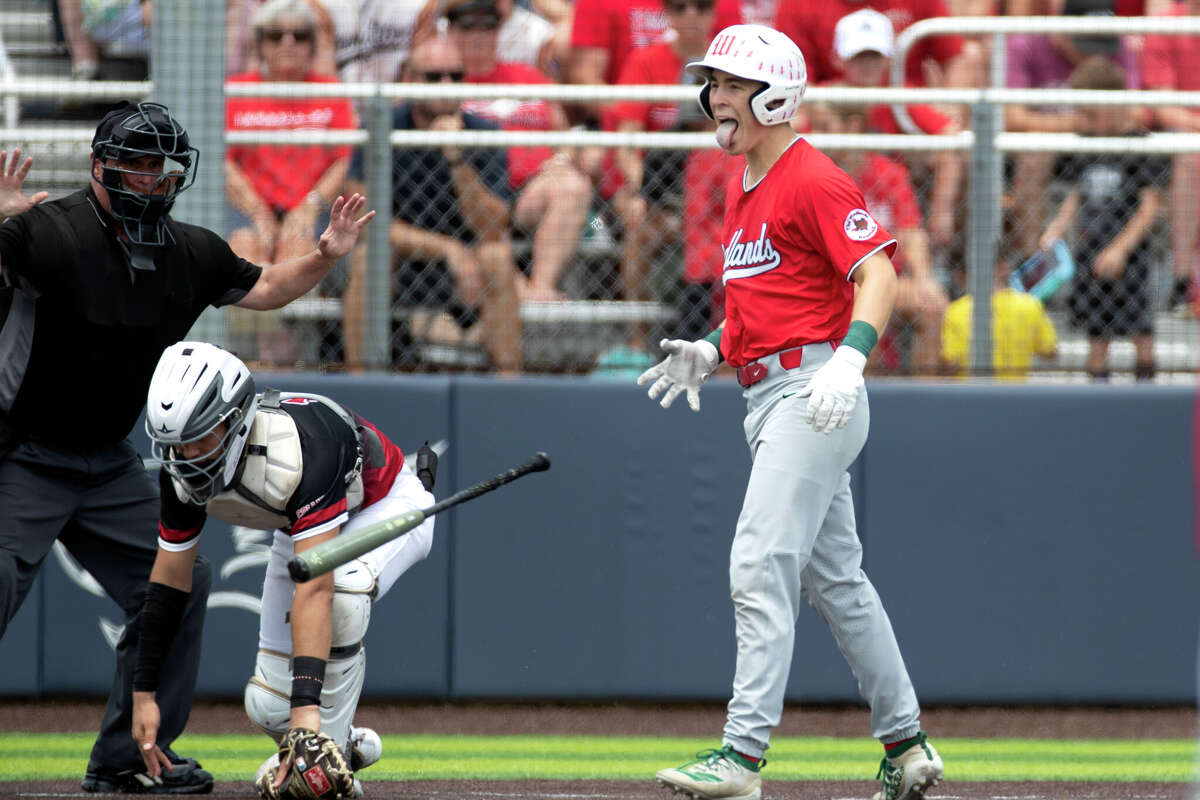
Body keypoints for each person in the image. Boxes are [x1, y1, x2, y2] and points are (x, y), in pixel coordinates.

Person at [0, 101, 374, 794]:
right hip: (24, 454)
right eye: (134, 165)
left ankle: (127, 759)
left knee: (177, 580)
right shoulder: (49, 234)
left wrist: (324, 255)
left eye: (158, 165)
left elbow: (264, 286)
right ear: (99, 168)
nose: (148, 178)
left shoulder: (189, 250)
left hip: (109, 462)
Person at [636, 24, 943, 800]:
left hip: (814, 391)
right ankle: (907, 747)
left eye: (731, 84)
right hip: (774, 388)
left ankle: (741, 758)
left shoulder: (811, 176)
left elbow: (878, 276)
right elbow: (762, 310)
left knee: (757, 560)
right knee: (839, 583)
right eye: (713, 83)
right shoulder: (746, 183)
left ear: (774, 93)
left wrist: (851, 357)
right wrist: (712, 349)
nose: (714, 97)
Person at [130, 341, 438, 798]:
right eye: (175, 444)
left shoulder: (302, 447)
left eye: (200, 437)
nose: (188, 455)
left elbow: (317, 588)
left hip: (387, 504)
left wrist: (307, 718)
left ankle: (327, 765)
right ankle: (347, 745)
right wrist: (144, 693)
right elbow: (170, 580)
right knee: (266, 705)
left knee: (345, 595)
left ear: (235, 420)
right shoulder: (181, 471)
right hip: (297, 526)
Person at [343, 36, 521, 373]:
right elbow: (363, 221)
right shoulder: (382, 127)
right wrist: (446, 249)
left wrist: (455, 157)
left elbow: (494, 225)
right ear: (409, 78)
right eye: (434, 76)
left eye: (455, 77)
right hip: (407, 258)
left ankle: (509, 388)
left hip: (471, 263)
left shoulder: (483, 131)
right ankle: (360, 384)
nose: (445, 85)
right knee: (368, 258)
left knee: (498, 256)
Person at [226, 0, 360, 364]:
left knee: (299, 250)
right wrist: (256, 212)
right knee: (243, 248)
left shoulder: (330, 91)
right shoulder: (237, 90)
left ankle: (286, 361)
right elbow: (225, 165)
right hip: (245, 206)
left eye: (299, 36)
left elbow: (341, 161)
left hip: (310, 206)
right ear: (260, 44)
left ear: (312, 46)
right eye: (275, 35)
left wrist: (311, 206)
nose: (287, 43)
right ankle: (250, 358)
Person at [448, 0, 593, 302]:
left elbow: (563, 131)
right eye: (467, 26)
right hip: (472, 190)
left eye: (488, 26)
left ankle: (541, 287)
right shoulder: (442, 81)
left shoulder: (526, 75)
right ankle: (520, 294)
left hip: (529, 188)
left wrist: (562, 158)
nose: (478, 34)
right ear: (450, 32)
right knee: (477, 210)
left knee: (572, 186)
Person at [1038, 56, 1167, 381]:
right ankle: (1097, 400)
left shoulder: (1140, 145)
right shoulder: (1087, 143)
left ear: (1113, 105)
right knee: (1097, 338)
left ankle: (1146, 397)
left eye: (1091, 114)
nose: (1084, 122)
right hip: (1090, 251)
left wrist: (1121, 248)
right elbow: (1076, 193)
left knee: (1142, 333)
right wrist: (1057, 227)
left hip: (1130, 258)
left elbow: (1150, 205)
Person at [808, 97, 947, 375]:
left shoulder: (889, 174)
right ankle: (861, 398)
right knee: (864, 300)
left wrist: (923, 279)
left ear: (853, 126)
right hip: (828, 287)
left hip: (885, 281)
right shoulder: (813, 177)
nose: (817, 137)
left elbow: (911, 231)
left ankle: (926, 403)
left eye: (825, 127)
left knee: (933, 305)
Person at [1141, 0, 1200, 313]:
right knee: (1191, 155)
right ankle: (1182, 278)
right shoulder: (1165, 25)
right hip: (1177, 135)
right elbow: (1163, 109)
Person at [940, 253, 1059, 380]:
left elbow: (949, 362)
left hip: (969, 393)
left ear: (960, 277)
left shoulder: (956, 310)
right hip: (1014, 393)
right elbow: (1049, 352)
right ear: (1004, 267)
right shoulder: (1029, 304)